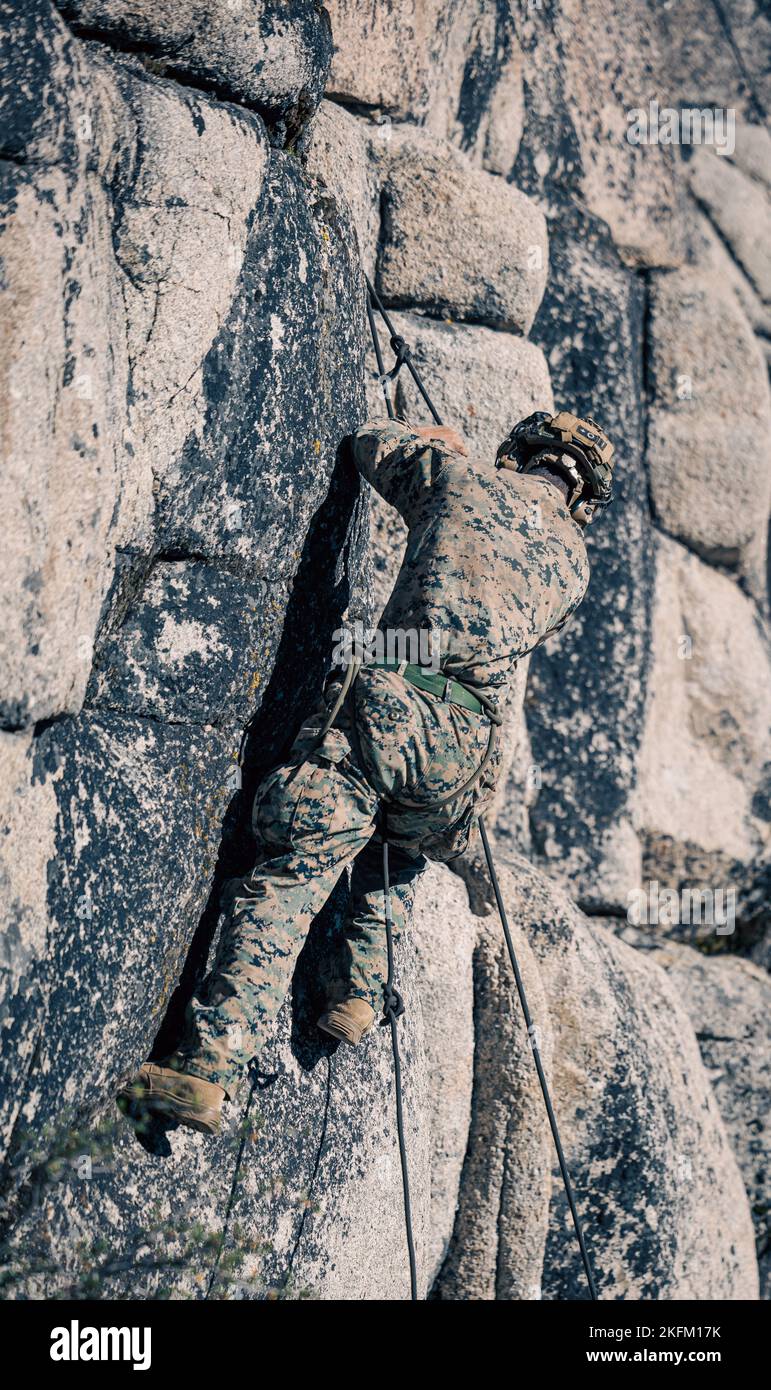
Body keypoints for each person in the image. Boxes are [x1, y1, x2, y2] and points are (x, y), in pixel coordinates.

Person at [118, 409, 615, 1135]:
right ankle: (356, 989)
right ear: (581, 498)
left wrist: (438, 446)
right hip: (464, 745)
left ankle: (204, 1070)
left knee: (295, 869)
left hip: (391, 699)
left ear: (518, 451)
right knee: (399, 844)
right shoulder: (573, 564)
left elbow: (369, 446)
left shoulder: (459, 477)